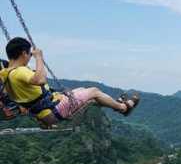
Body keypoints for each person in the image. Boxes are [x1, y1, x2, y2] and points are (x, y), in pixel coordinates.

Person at [0, 37, 140, 128]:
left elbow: (19, 95)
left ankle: (115, 104)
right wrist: (39, 58)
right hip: (53, 111)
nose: (30, 57)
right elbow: (40, 79)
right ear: (24, 53)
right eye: (29, 54)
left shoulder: (5, 74)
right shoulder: (19, 71)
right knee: (94, 91)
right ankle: (123, 108)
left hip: (45, 112)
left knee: (83, 92)